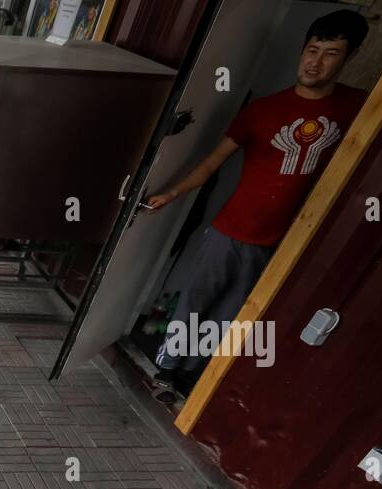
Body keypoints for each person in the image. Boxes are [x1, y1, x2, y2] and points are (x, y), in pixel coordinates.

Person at [146, 9, 369, 392]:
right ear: (302, 50)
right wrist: (171, 193)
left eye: (331, 53)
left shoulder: (358, 108)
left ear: (349, 58)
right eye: (312, 49)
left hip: (281, 242)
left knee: (231, 315)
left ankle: (190, 376)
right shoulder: (263, 110)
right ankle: (165, 370)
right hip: (228, 233)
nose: (316, 62)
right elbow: (213, 162)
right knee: (195, 306)